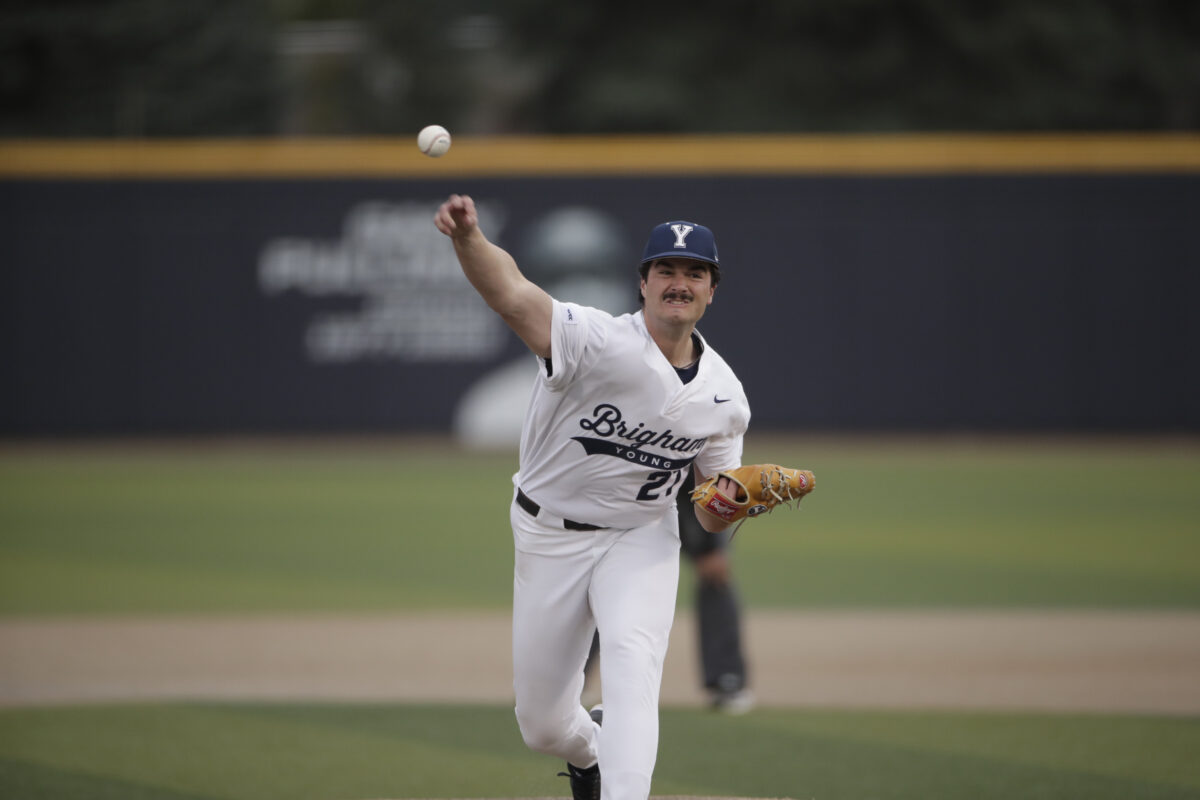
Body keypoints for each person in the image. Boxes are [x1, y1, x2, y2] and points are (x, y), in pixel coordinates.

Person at [434, 194, 750, 800]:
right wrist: (469, 239)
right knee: (544, 724)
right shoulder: (594, 341)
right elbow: (512, 293)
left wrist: (740, 499)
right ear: (643, 283)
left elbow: (710, 512)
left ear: (713, 290)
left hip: (641, 536)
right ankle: (588, 750)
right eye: (667, 270)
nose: (679, 283)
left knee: (634, 666)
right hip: (548, 534)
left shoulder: (725, 396)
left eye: (694, 273)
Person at [582, 471, 754, 715]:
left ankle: (727, 680)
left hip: (686, 493)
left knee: (714, 573)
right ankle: (572, 677)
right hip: (627, 501)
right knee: (608, 581)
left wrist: (713, 544)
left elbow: (712, 467)